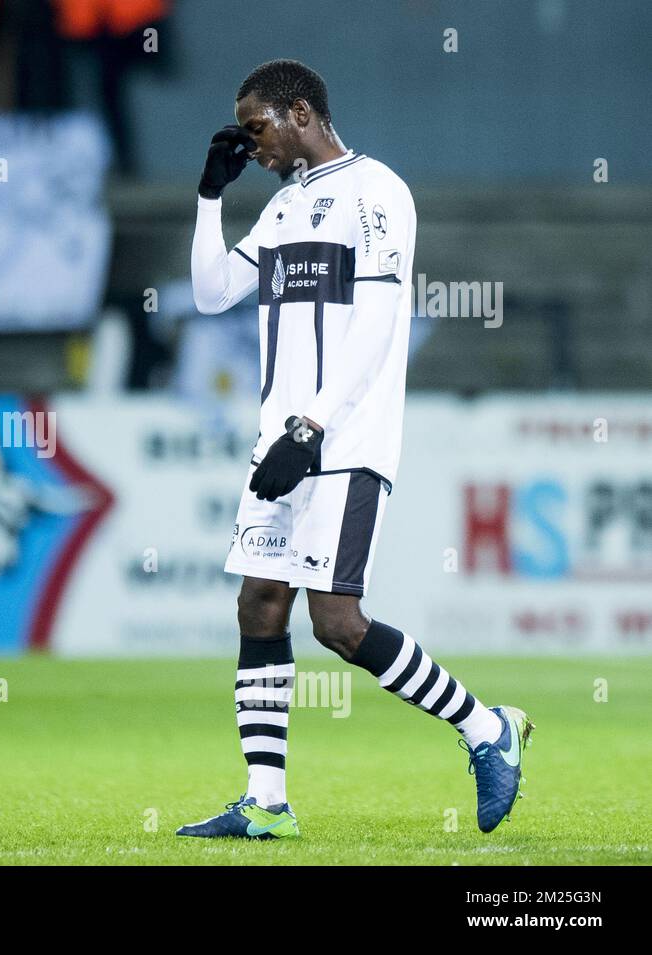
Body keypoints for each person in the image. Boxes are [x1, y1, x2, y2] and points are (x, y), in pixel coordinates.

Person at [179, 59, 533, 841]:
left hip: (342, 438)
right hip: (280, 440)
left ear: (301, 113)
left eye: (258, 127)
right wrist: (209, 198)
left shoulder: (377, 192)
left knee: (337, 622)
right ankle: (266, 802)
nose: (252, 144)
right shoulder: (281, 208)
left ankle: (488, 727)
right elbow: (210, 293)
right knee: (259, 603)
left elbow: (377, 322)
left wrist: (312, 426)